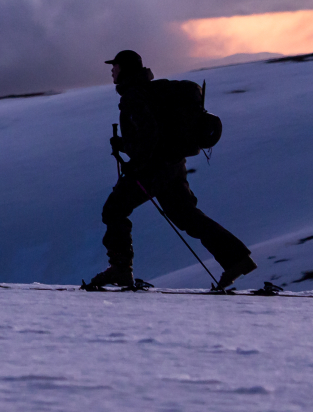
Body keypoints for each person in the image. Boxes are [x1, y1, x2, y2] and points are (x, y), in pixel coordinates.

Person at [83, 49, 255, 292]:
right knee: (187, 216)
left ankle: (121, 269)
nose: (112, 70)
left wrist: (132, 157)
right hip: (173, 165)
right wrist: (124, 145)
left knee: (113, 210)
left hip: (153, 169)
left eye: (116, 66)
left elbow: (148, 136)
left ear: (125, 69)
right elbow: (152, 134)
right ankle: (236, 259)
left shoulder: (134, 96)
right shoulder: (152, 90)